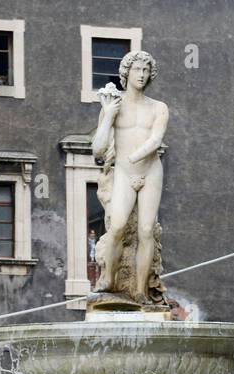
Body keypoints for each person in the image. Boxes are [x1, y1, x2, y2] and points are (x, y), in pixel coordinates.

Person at [91, 49, 168, 303]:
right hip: (124, 173)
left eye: (146, 70)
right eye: (137, 69)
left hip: (150, 171)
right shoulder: (114, 105)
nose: (142, 75)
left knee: (146, 230)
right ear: (126, 72)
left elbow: (156, 139)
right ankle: (107, 279)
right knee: (118, 226)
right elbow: (98, 148)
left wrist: (135, 158)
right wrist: (107, 117)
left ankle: (140, 289)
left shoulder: (159, 108)